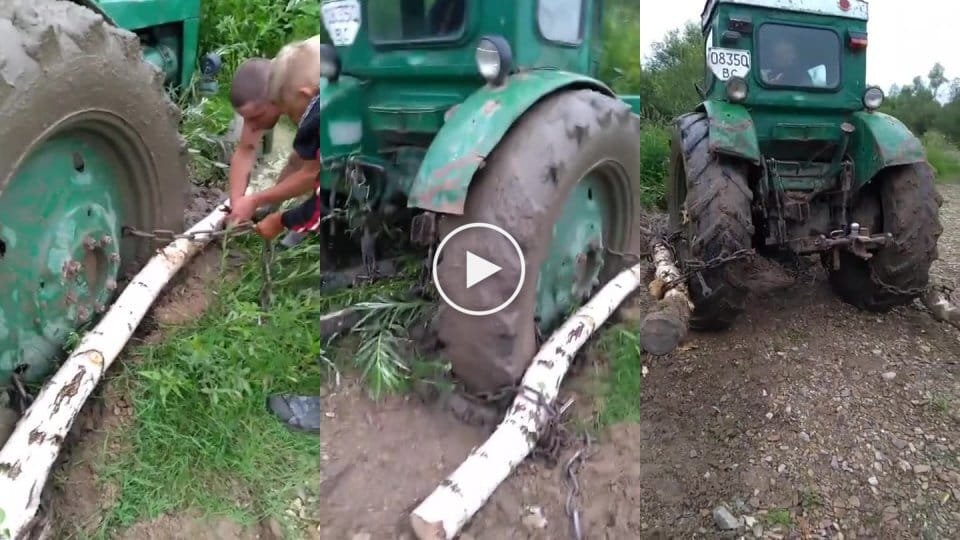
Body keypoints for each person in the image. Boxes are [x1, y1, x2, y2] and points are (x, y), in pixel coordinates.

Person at [224, 37, 325, 231]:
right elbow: (245, 149)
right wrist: (238, 204)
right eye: (246, 119)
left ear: (273, 99)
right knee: (302, 154)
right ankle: (271, 210)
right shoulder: (272, 85)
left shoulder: (301, 83)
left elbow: (312, 172)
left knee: (307, 157)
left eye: (256, 117)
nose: (251, 126)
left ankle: (299, 218)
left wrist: (257, 202)